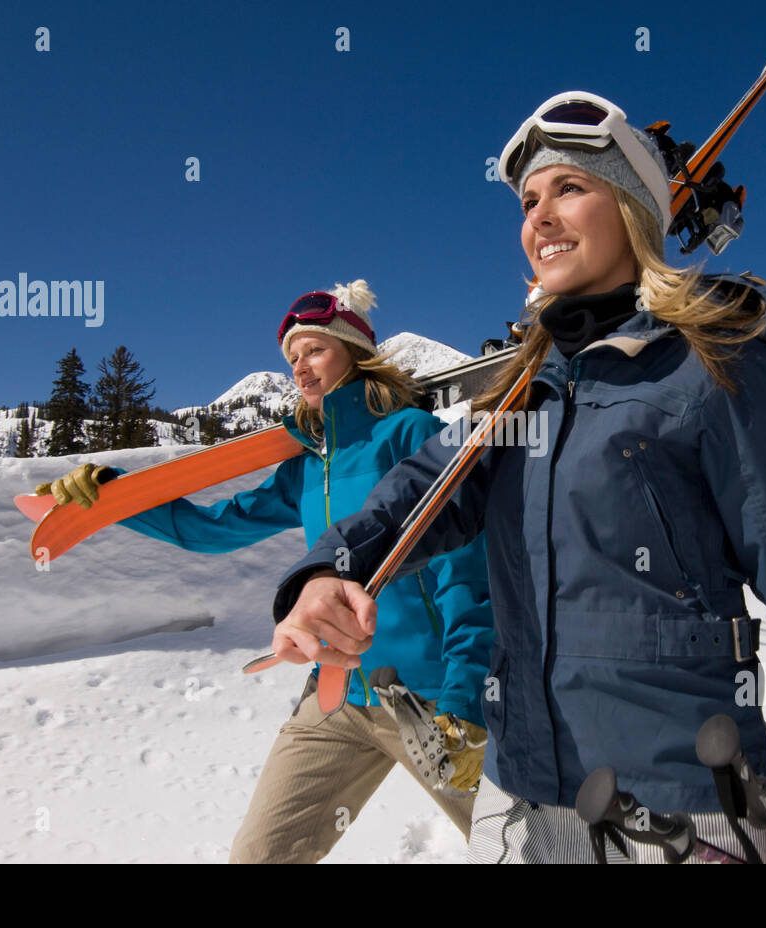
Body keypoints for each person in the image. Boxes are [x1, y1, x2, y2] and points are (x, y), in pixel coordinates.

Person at [268, 94, 766, 864]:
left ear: (631, 207)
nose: (541, 217)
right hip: (522, 803)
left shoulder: (714, 366)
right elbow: (421, 489)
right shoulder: (525, 394)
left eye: (570, 188)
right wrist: (333, 565)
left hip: (684, 810)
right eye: (529, 201)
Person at [37, 280, 496, 863]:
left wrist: (466, 695)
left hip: (433, 700)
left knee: (525, 852)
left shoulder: (408, 434)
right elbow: (214, 529)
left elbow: (464, 569)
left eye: (316, 351)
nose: (301, 369)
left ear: (353, 352)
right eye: (292, 359)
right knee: (260, 857)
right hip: (341, 695)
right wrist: (115, 501)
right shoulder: (308, 466)